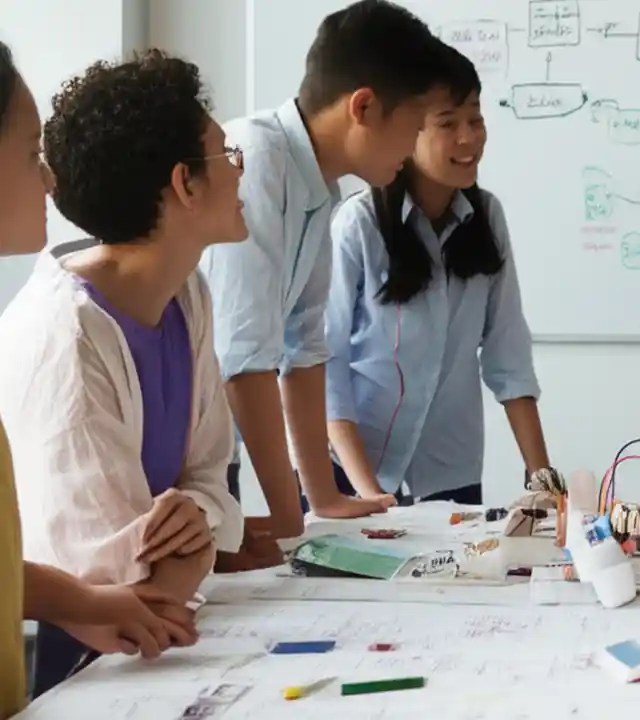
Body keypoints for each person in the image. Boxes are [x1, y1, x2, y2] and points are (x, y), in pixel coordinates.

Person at [0, 50, 246, 697]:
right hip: (91, 654)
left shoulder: (186, 291)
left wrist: (198, 515)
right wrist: (199, 532)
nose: (48, 182)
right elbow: (118, 579)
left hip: (138, 633)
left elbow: (212, 481)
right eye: (228, 157)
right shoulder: (65, 338)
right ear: (185, 184)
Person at [199, 0, 449, 560]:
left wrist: (322, 497)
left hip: (216, 452)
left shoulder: (320, 188)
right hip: (178, 450)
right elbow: (244, 361)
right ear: (363, 106)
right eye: (411, 128)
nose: (413, 151)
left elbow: (304, 347)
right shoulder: (257, 161)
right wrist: (291, 515)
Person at [326, 44, 555, 505]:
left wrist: (543, 480)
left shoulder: (487, 217)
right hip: (352, 474)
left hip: (449, 475)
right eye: (448, 124)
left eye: (476, 119)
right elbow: (325, 369)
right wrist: (369, 493)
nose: (469, 138)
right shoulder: (360, 224)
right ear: (408, 132)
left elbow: (508, 354)